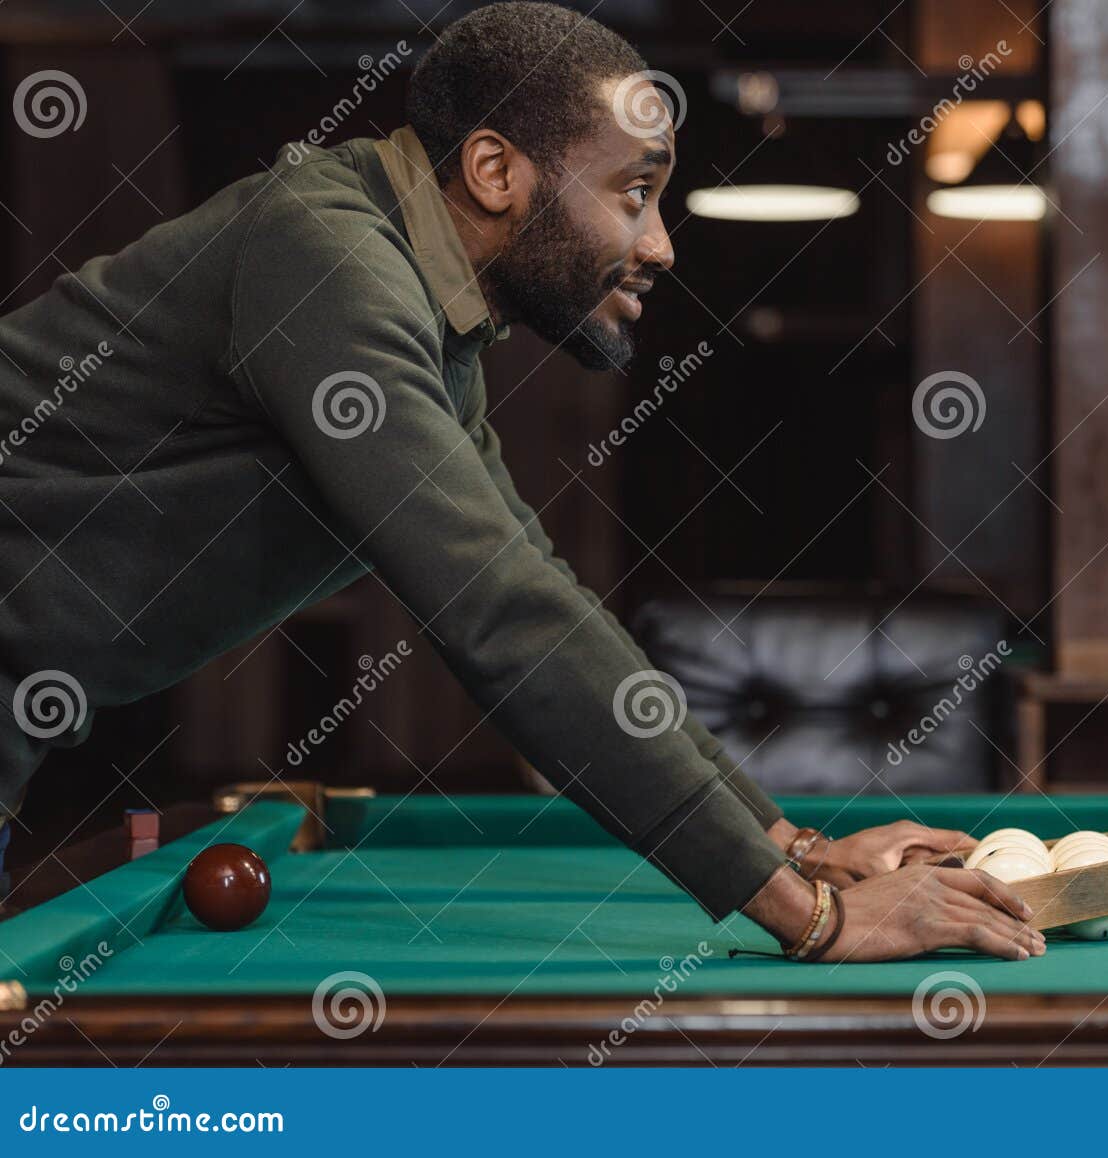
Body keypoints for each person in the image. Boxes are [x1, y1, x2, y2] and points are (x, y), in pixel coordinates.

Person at [0, 3, 1043, 963]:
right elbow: (498, 615)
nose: (661, 243)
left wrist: (789, 842)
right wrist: (807, 918)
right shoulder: (321, 257)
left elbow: (537, 587)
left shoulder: (419, 316)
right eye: (634, 192)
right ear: (496, 171)